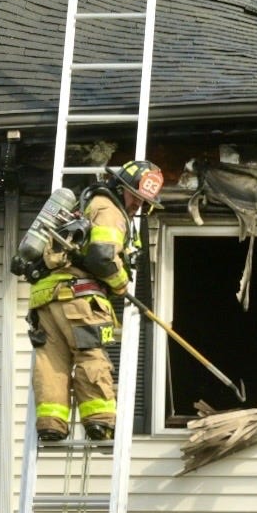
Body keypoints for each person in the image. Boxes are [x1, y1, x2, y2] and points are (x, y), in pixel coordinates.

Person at [27, 159, 164, 443]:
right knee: (91, 356)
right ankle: (99, 421)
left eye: (144, 202)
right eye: (135, 197)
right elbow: (102, 257)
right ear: (121, 188)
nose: (138, 205)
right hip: (79, 298)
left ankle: (52, 423)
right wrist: (121, 283)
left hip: (45, 297)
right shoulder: (110, 209)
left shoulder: (91, 205)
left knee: (52, 363)